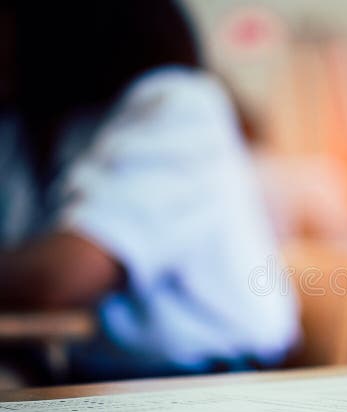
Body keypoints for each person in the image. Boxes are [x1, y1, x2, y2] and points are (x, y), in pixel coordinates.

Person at [0, 1, 299, 382]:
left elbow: (60, 276)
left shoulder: (176, 102)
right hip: (99, 377)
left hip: (211, 379)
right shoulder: (41, 122)